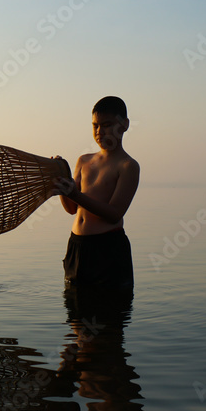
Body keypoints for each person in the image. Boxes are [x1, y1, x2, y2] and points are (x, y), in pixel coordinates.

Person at [53, 96, 140, 289]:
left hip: (107, 248)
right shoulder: (84, 161)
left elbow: (114, 214)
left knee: (109, 312)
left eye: (107, 125)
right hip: (77, 246)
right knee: (75, 312)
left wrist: (75, 194)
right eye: (95, 126)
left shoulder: (128, 166)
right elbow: (71, 209)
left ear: (124, 125)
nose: (100, 132)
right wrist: (61, 180)